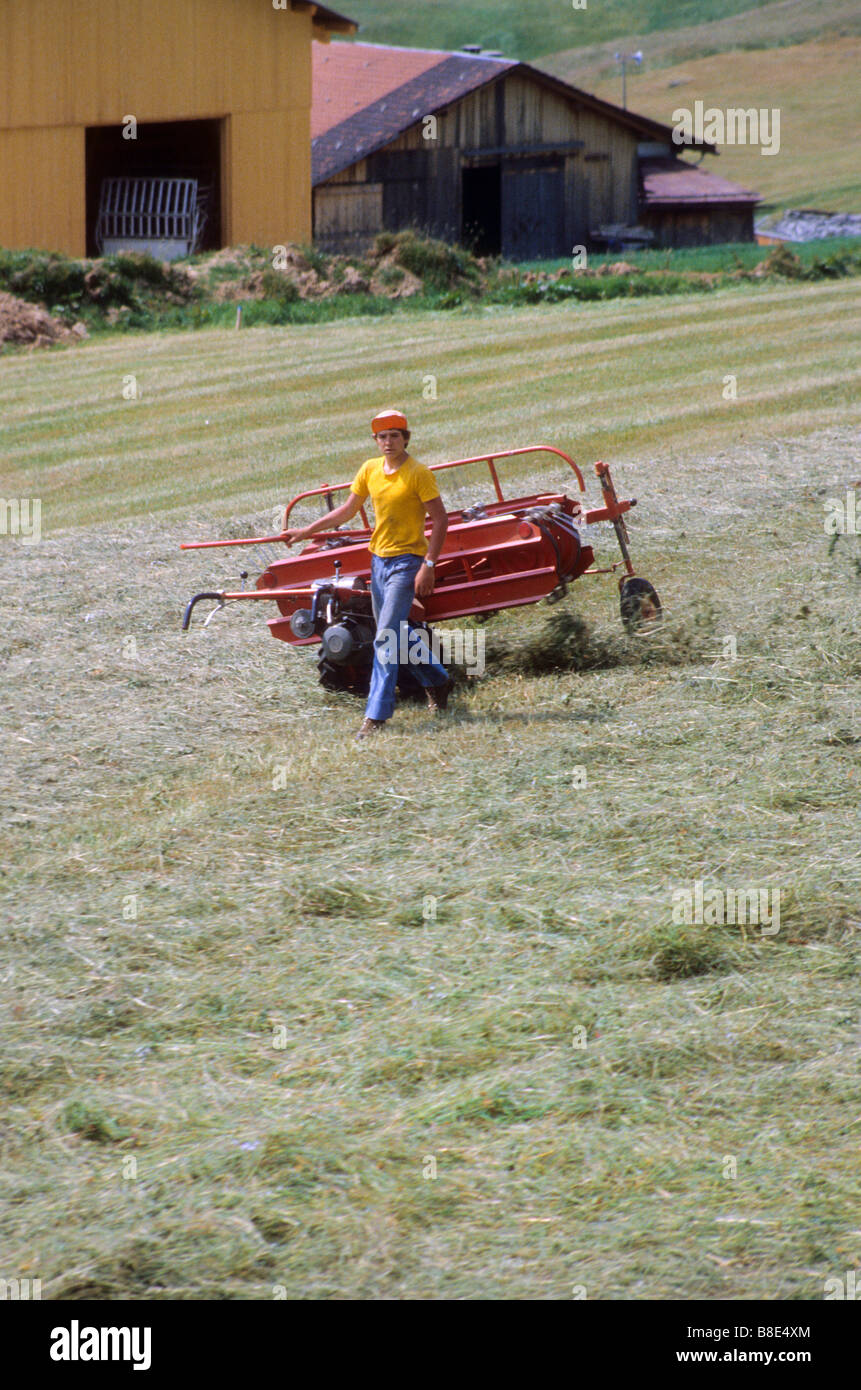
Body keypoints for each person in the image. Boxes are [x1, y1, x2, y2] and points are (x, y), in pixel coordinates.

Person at [283, 408, 451, 739]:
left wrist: (428, 565)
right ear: (375, 440)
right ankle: (438, 680)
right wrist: (305, 532)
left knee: (385, 638)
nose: (388, 442)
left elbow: (441, 520)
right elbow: (346, 511)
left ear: (406, 438)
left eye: (395, 435)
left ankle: (375, 716)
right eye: (382, 436)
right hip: (379, 562)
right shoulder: (370, 470)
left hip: (407, 564)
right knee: (396, 634)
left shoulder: (419, 473)